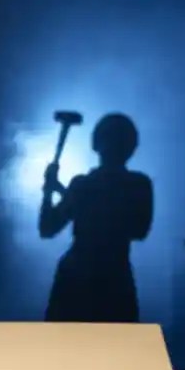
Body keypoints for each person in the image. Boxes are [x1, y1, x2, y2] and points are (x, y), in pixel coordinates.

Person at [40, 113, 153, 322]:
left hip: (77, 278)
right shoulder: (139, 185)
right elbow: (139, 230)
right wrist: (58, 191)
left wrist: (51, 191)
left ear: (96, 143)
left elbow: (47, 228)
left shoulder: (82, 186)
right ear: (132, 147)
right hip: (114, 280)